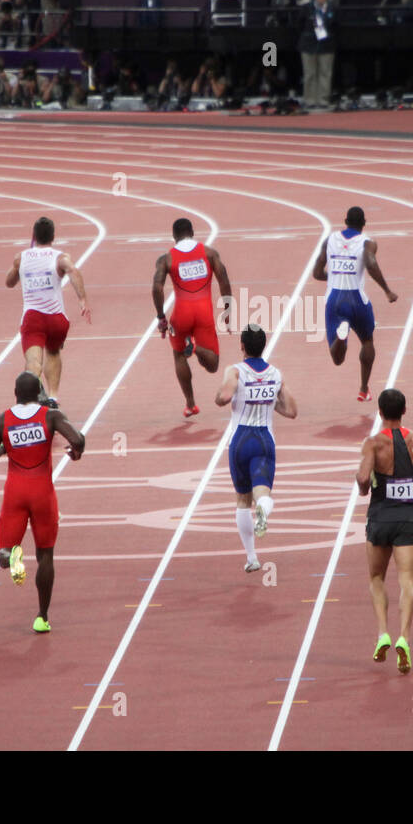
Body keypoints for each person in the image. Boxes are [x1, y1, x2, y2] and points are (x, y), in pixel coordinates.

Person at [0, 372, 86, 633]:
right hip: (42, 493)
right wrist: (76, 453)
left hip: (15, 492)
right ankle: (42, 616)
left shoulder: (1, 420)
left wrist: (5, 448)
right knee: (45, 554)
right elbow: (78, 439)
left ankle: (11, 555)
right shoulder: (50, 416)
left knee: (3, 556)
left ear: (15, 393)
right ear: (38, 393)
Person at [356, 388, 413, 675]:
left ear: (380, 412)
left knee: (377, 577)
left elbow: (364, 478)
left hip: (379, 518)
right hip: (407, 519)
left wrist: (365, 487)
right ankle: (404, 636)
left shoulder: (373, 443)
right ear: (404, 410)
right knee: (408, 582)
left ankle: (383, 633)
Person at [214, 324, 297, 571]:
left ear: (242, 346)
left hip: (239, 441)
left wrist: (222, 393)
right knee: (263, 495)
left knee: (242, 499)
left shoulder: (236, 370)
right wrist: (269, 402)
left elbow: (224, 397)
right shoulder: (275, 374)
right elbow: (292, 411)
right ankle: (263, 509)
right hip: (263, 441)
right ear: (264, 346)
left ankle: (252, 558)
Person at [312, 205, 398, 402]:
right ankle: (363, 388)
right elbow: (371, 263)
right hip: (358, 300)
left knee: (337, 359)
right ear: (364, 224)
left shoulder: (330, 239)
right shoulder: (368, 243)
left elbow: (316, 273)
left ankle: (342, 338)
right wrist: (387, 290)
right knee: (367, 341)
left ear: (345, 222)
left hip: (334, 300)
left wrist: (334, 274)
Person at [5, 216, 90, 407]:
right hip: (57, 319)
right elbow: (74, 272)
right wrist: (82, 300)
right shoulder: (60, 257)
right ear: (53, 236)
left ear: (34, 236)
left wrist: (20, 270)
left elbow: (9, 283)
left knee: (33, 363)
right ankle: (53, 397)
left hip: (33, 318)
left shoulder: (21, 258)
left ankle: (33, 400)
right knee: (53, 353)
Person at [152, 217, 232, 417]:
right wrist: (227, 309)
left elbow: (157, 287)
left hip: (181, 314)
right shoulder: (209, 253)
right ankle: (195, 348)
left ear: (174, 236)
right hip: (204, 313)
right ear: (192, 232)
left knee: (178, 355)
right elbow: (224, 279)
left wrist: (161, 317)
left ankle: (190, 403)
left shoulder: (166, 259)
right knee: (213, 365)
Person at [298, 0, 336, 109]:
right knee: (310, 73)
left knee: (325, 73)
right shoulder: (307, 8)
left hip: (326, 45)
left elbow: (336, 25)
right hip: (309, 45)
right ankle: (309, 100)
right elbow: (299, 25)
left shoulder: (332, 8)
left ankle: (323, 100)